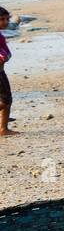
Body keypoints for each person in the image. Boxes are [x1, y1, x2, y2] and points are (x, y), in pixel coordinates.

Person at [0, 7, 14, 137]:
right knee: (5, 100)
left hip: (1, 71)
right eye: (1, 19)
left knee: (7, 99)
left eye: (7, 19)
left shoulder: (1, 36)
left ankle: (3, 128)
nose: (5, 22)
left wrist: (5, 56)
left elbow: (7, 53)